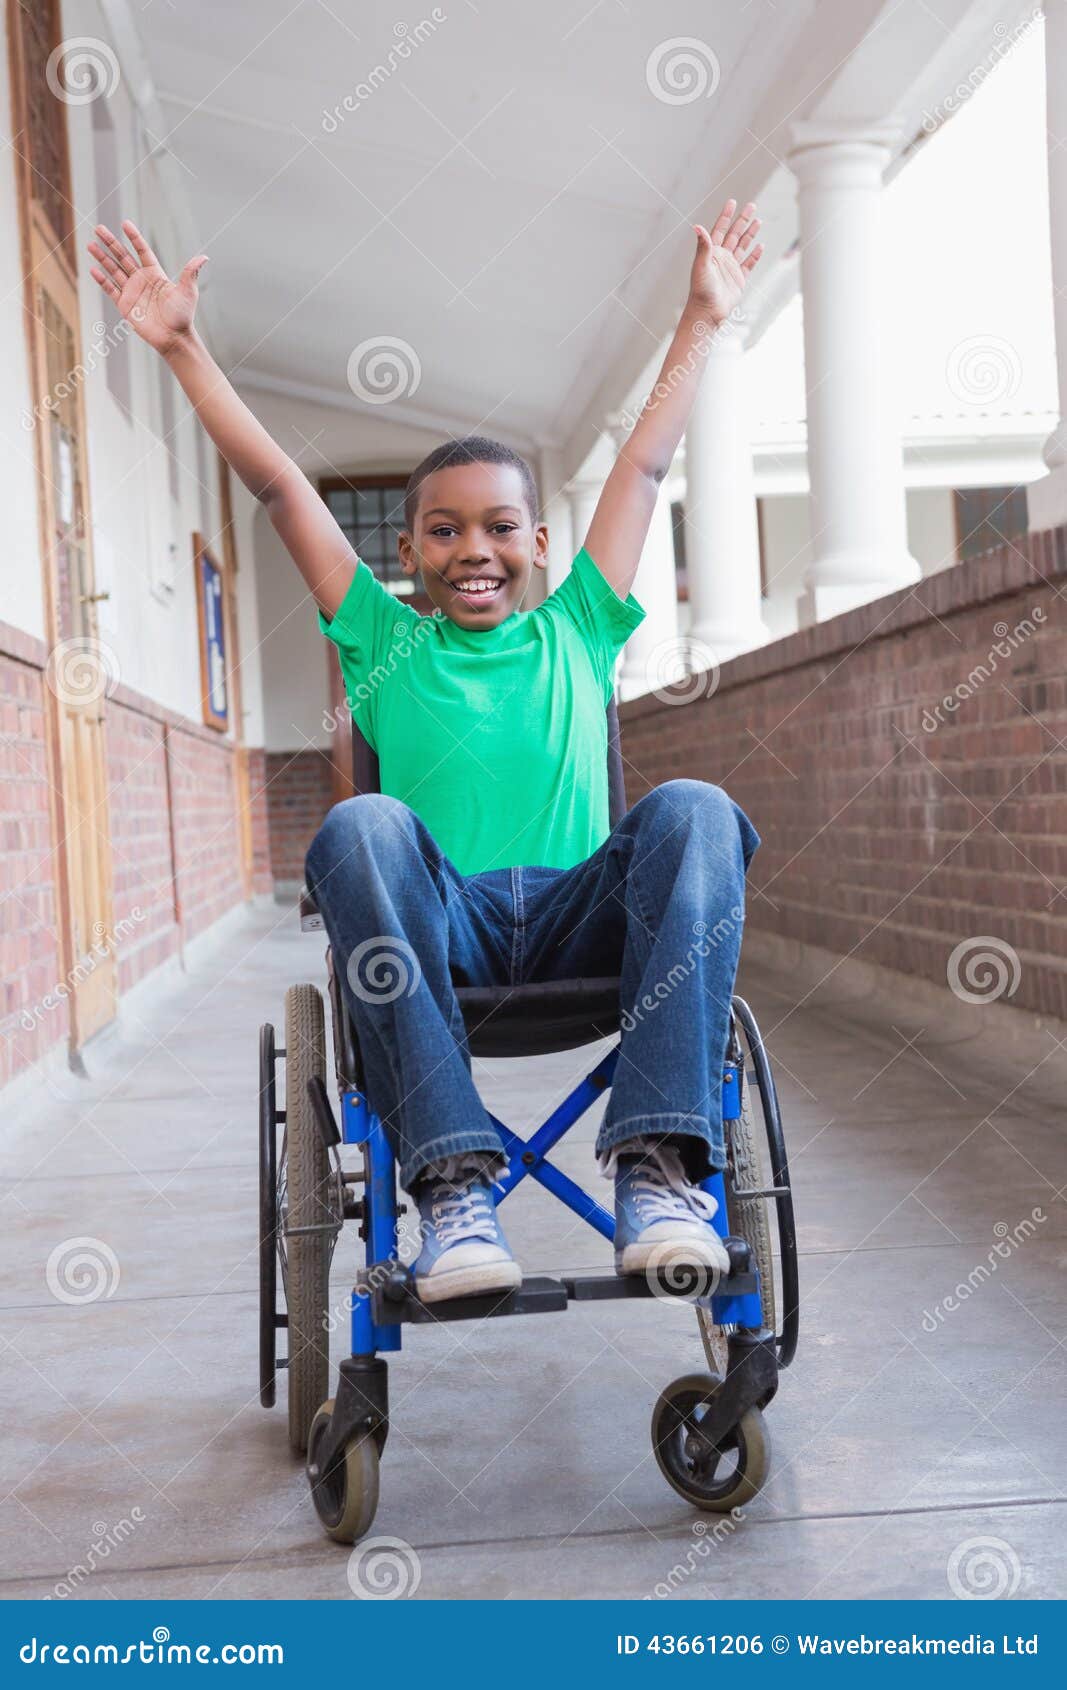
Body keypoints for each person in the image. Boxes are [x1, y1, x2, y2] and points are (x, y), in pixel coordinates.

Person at [87, 199, 764, 1306]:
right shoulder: (382, 639)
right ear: (406, 552)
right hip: (439, 934)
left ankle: (656, 1168)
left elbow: (638, 471)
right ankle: (452, 1186)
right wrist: (180, 347)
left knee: (691, 804)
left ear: (539, 545)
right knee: (361, 822)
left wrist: (698, 317)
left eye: (499, 526)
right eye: (443, 531)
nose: (474, 549)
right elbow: (276, 486)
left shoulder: (577, 625)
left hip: (574, 921)